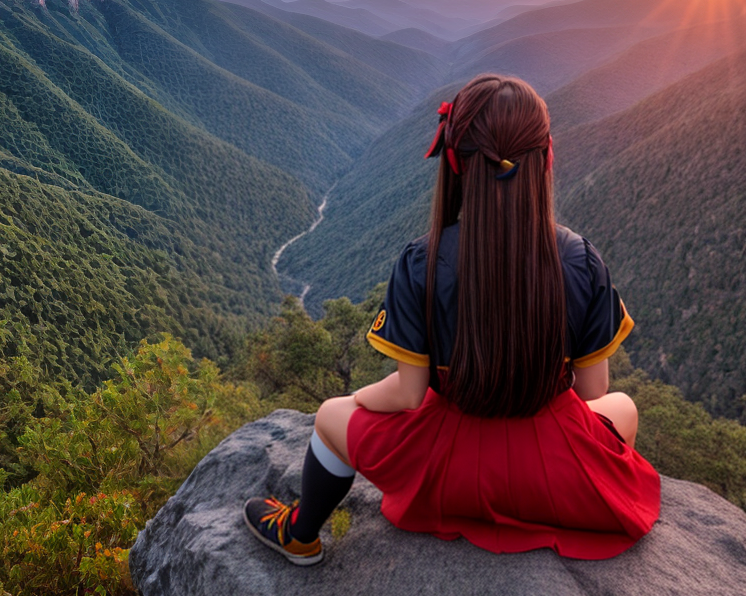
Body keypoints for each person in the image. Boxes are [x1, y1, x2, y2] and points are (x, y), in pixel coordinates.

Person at [244, 73, 661, 565]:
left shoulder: (423, 260)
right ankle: (570, 495)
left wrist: (358, 397)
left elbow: (408, 394)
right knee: (623, 406)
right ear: (545, 158)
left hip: (450, 472)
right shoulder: (581, 259)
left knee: (330, 416)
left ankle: (300, 536)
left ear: (457, 163)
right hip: (554, 479)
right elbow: (592, 392)